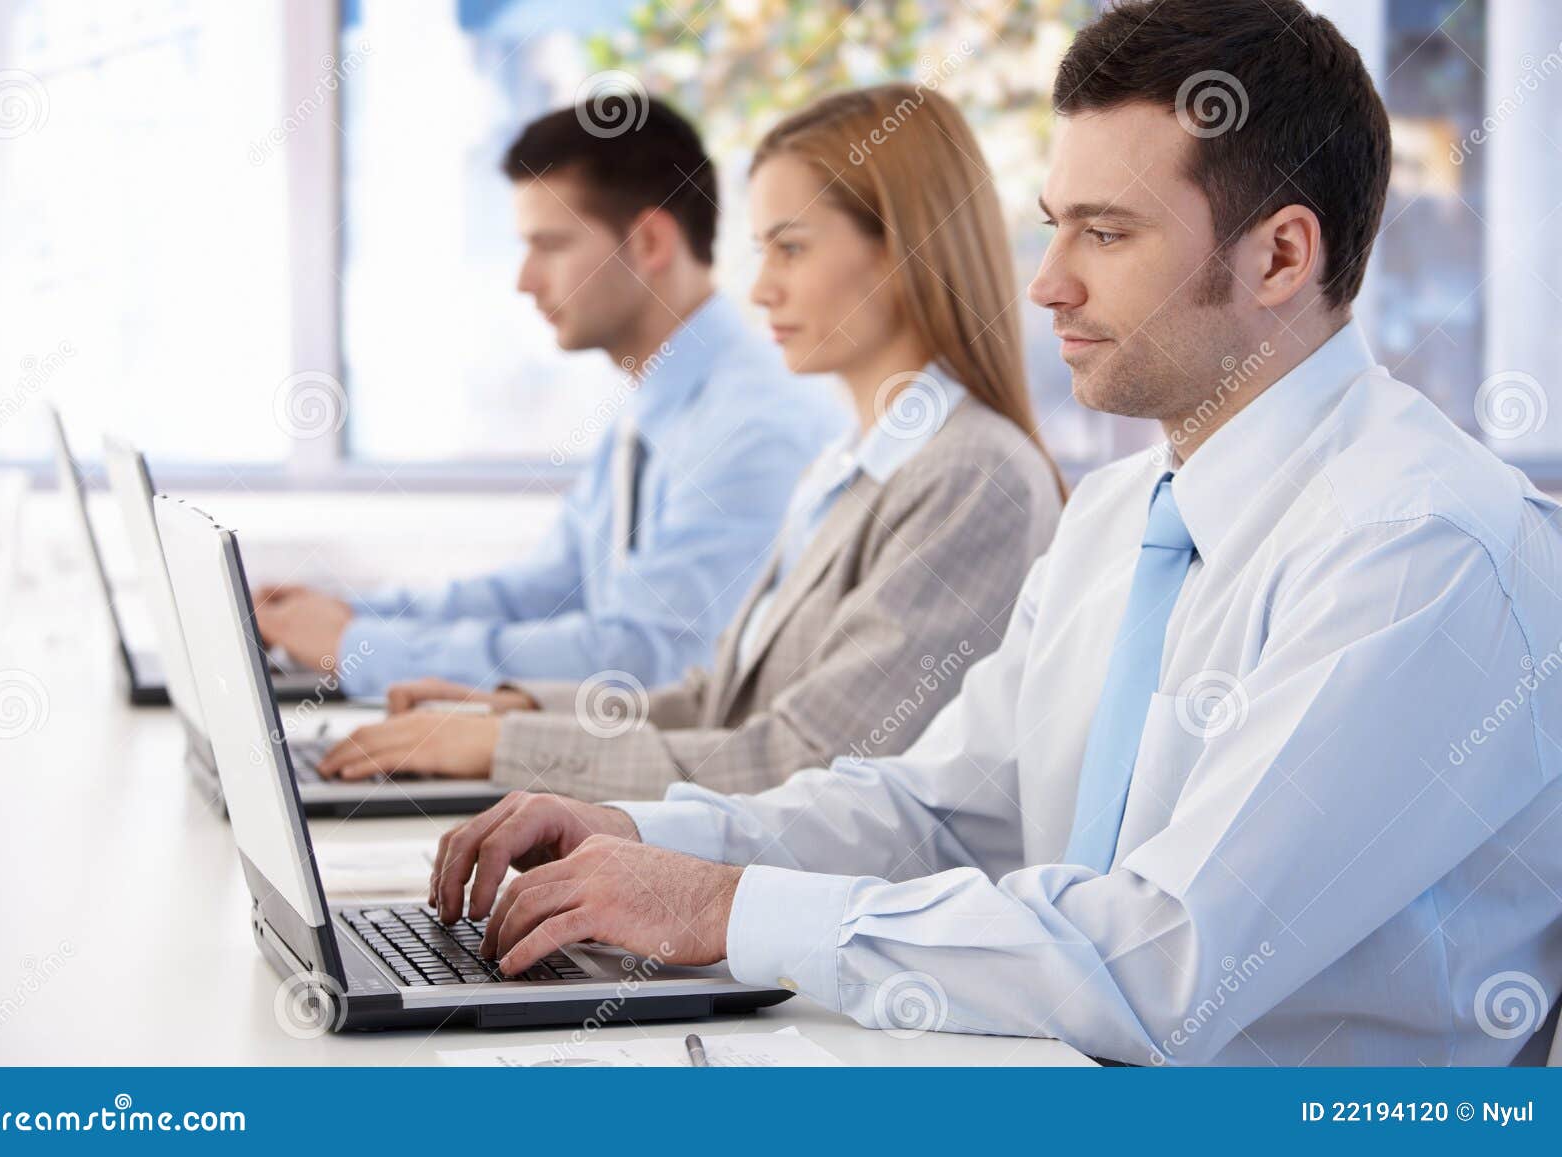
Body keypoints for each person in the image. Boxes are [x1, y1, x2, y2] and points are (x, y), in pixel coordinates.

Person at [420, 0, 1562, 1067]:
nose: (1047, 285)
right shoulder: (1121, 514)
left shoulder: (1419, 548)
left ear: (1279, 256)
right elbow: (940, 812)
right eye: (1054, 227)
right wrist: (646, 833)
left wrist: (724, 906)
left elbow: (1162, 962)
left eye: (1106, 234)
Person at [313, 87, 1064, 799]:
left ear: (903, 249)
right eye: (761, 250)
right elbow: (719, 699)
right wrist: (514, 710)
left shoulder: (969, 475)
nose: (761, 287)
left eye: (791, 249)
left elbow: (811, 760)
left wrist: (505, 746)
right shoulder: (846, 467)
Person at [253, 99, 846, 698]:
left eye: (551, 245)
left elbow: (651, 658)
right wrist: (354, 617)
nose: (524, 279)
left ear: (650, 243)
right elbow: (545, 587)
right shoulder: (653, 407)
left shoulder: (754, 427)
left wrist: (356, 650)